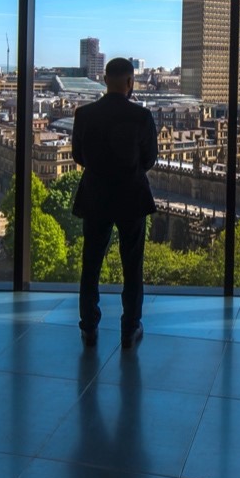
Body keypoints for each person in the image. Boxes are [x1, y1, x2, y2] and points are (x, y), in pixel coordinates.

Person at [72, 57, 159, 349]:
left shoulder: (83, 115)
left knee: (91, 263)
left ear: (105, 80)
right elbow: (149, 159)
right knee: (132, 265)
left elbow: (78, 157)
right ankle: (130, 328)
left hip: (96, 195)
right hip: (131, 196)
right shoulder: (142, 117)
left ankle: (89, 328)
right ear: (130, 82)